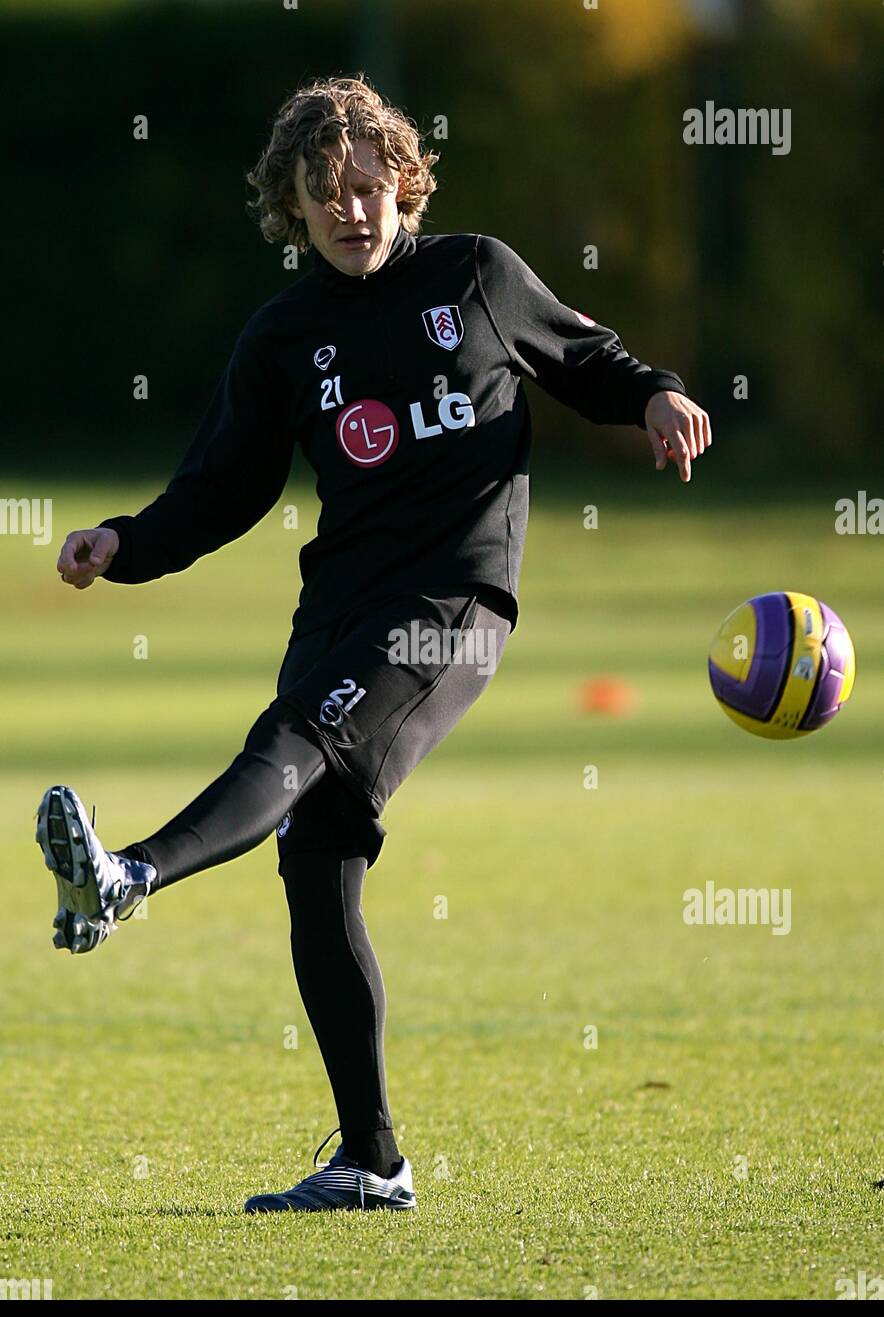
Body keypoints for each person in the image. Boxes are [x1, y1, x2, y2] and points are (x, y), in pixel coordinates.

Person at [37, 75, 711, 1215]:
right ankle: (372, 1163)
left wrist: (656, 398)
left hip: (453, 610)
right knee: (318, 859)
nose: (351, 211)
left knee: (296, 739)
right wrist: (125, 541)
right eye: (323, 196)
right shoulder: (285, 336)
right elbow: (223, 488)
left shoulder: (475, 276)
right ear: (290, 210)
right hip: (340, 613)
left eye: (365, 186)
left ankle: (128, 871)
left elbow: (587, 358)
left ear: (403, 180)